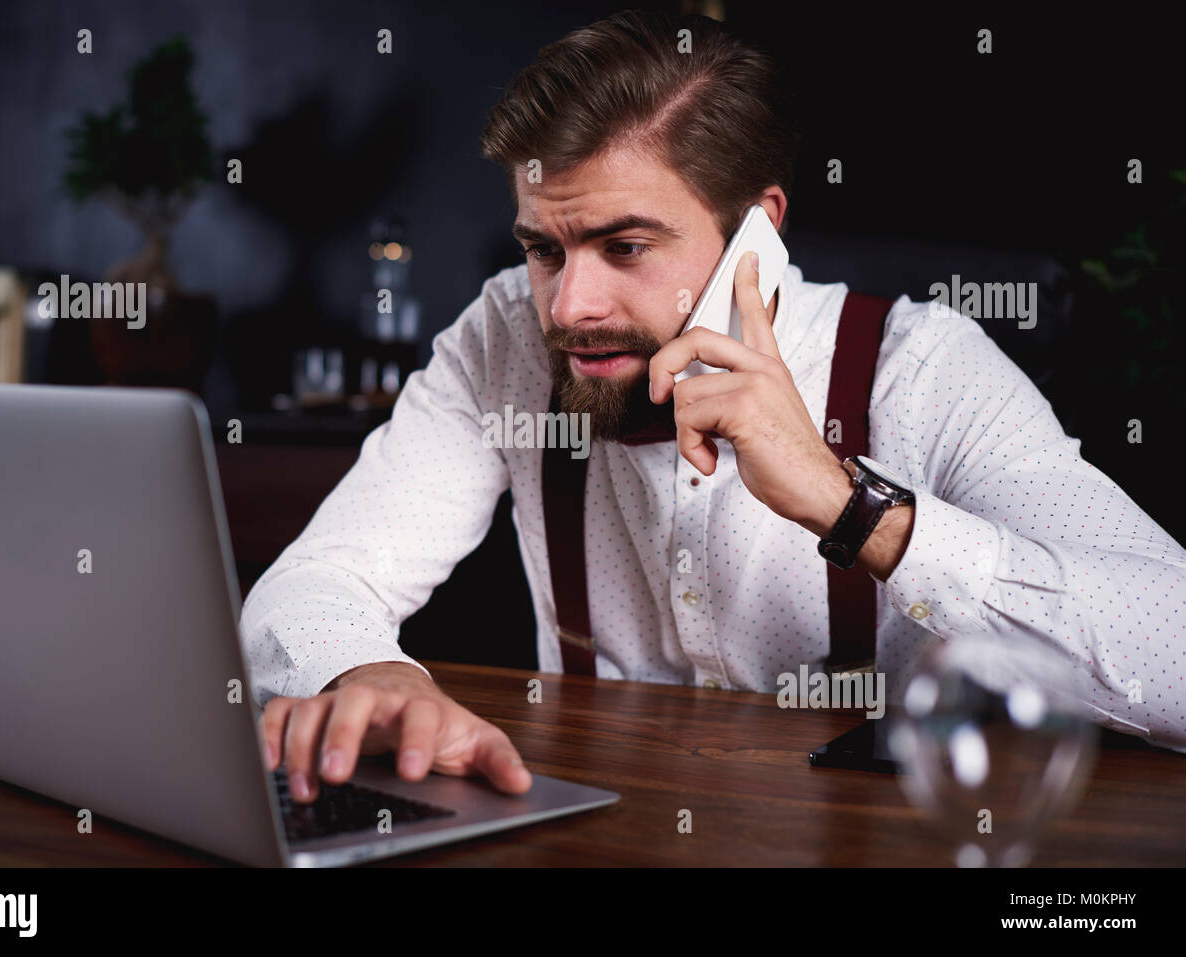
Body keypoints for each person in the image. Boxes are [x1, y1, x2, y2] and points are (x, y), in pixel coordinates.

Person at [243, 10, 1186, 804]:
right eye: (544, 250)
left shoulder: (920, 370)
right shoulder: (503, 337)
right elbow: (315, 583)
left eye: (625, 246)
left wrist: (853, 506)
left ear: (757, 234)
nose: (569, 308)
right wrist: (363, 672)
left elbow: (1174, 655)